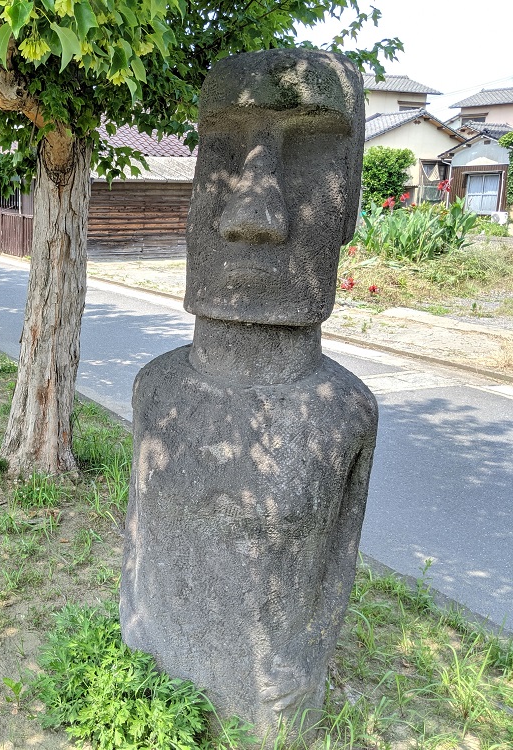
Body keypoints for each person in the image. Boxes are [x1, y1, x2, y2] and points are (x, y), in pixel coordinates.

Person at [120, 48, 379, 739]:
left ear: (349, 201)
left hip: (268, 705)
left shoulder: (341, 413)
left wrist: (304, 666)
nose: (253, 214)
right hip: (153, 668)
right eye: (222, 153)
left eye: (314, 155)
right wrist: (135, 630)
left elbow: (335, 568)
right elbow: (136, 546)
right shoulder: (159, 389)